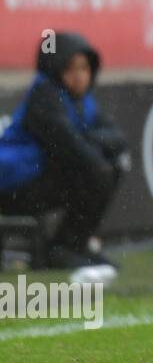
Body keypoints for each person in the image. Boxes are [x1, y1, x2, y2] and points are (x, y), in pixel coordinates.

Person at [0, 31, 129, 277]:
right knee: (98, 171)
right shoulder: (45, 97)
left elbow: (118, 139)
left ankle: (76, 245)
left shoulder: (83, 101)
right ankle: (63, 247)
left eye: (85, 68)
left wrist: (89, 140)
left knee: (110, 166)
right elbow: (70, 146)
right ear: (55, 68)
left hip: (39, 181)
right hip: (12, 187)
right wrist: (92, 145)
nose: (80, 76)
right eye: (71, 68)